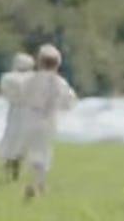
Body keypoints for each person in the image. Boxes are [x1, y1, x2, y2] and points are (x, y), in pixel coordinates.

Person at [16, 44, 78, 199]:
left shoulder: (31, 80)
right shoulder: (60, 83)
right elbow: (69, 101)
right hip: (50, 120)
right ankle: (39, 182)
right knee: (43, 152)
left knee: (33, 152)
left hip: (31, 119)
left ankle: (34, 182)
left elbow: (22, 96)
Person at [0, 52, 36, 181]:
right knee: (23, 143)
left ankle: (10, 165)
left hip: (15, 111)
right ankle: (15, 168)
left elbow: (5, 94)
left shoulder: (8, 78)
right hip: (29, 112)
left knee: (11, 139)